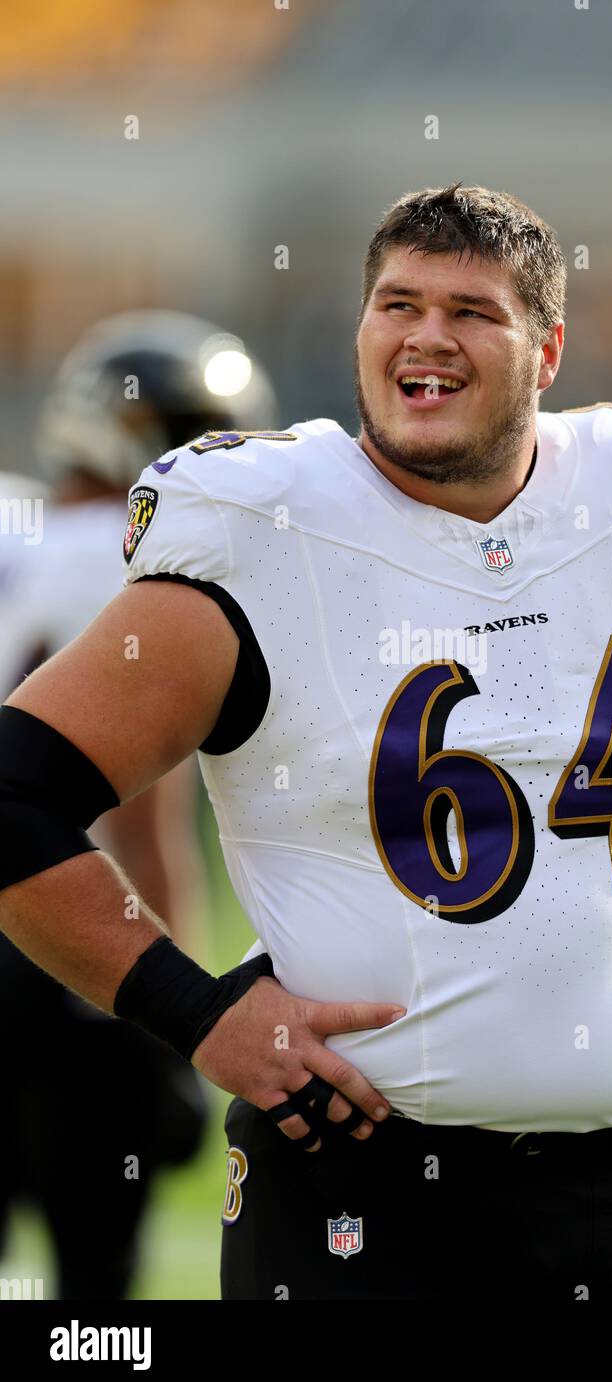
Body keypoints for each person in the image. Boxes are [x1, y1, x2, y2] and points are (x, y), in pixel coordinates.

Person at [0, 185, 612, 1301]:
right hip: (353, 1195)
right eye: (395, 303)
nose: (425, 336)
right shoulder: (262, 535)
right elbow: (18, 798)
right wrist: (195, 1010)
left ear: (546, 350)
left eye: (471, 311)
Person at [0, 310, 278, 1299]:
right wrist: (178, 1024)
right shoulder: (123, 560)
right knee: (96, 1294)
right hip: (42, 945)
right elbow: (144, 830)